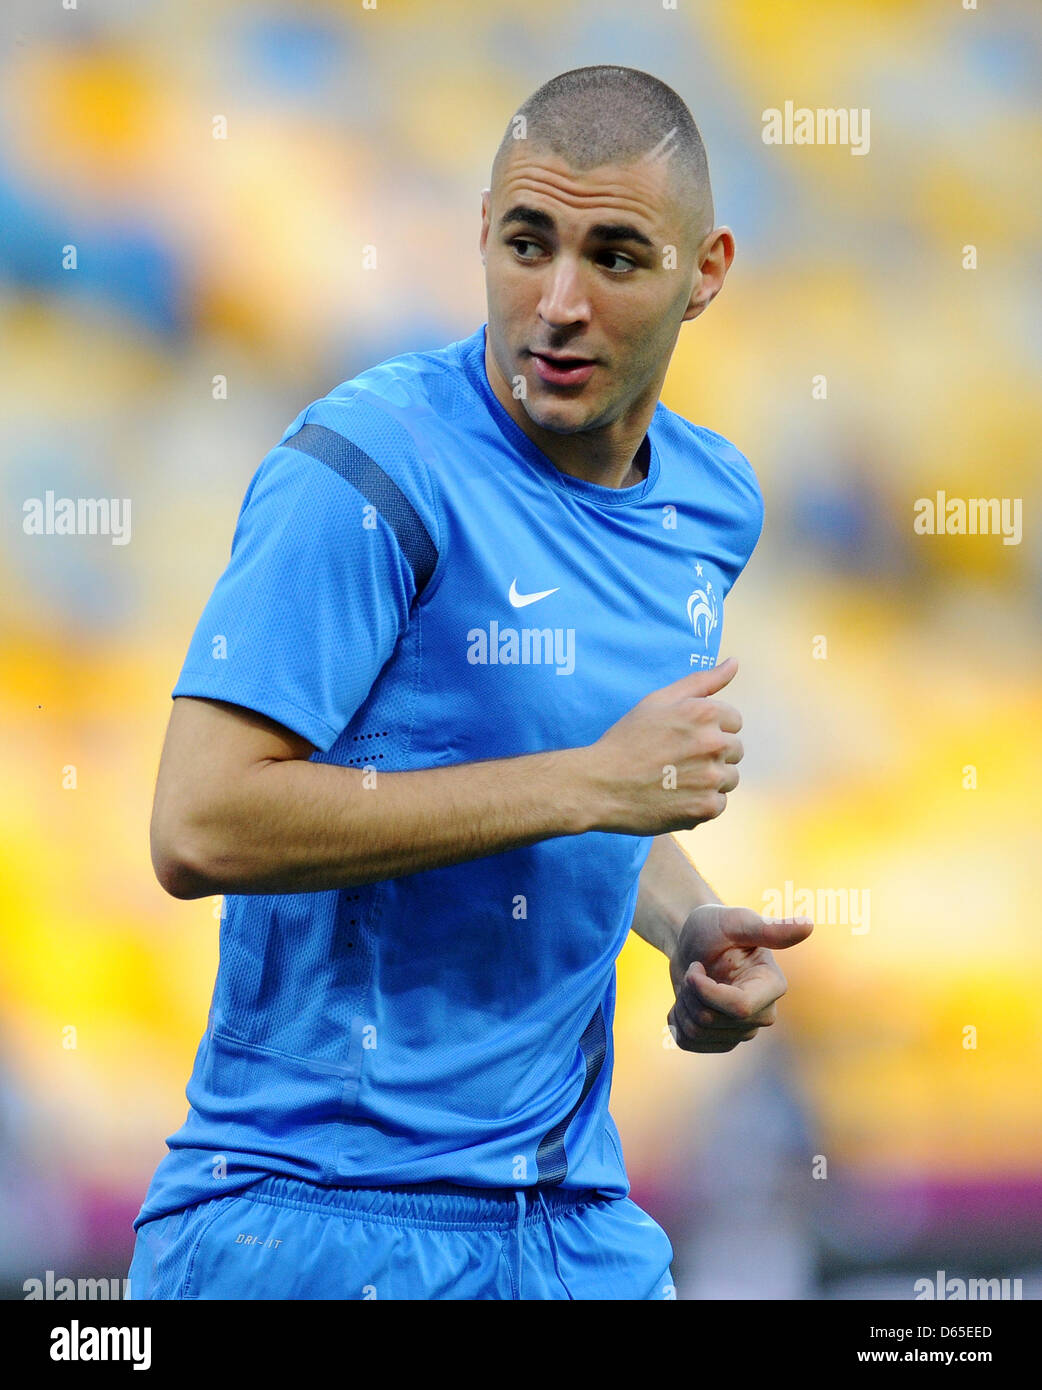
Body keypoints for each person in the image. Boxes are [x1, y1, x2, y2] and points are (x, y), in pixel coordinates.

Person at [129, 64, 813, 1301]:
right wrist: (588, 785)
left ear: (704, 272)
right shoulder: (366, 467)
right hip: (315, 1217)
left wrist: (685, 924)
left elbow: (594, 789)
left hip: (573, 1222)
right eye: (525, 243)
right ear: (481, 234)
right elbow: (199, 823)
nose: (555, 303)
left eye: (615, 257)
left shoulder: (712, 502)